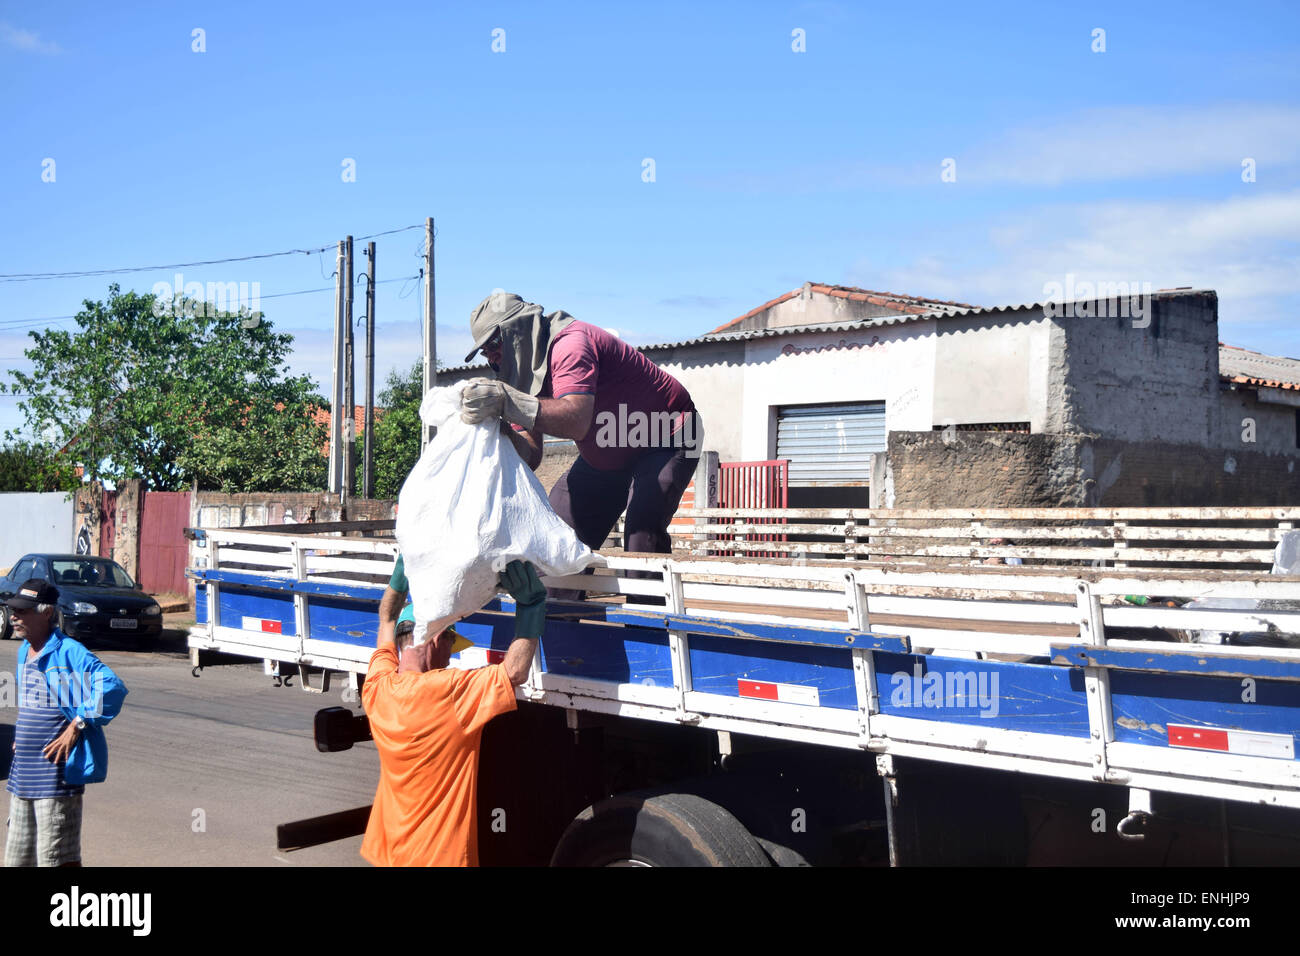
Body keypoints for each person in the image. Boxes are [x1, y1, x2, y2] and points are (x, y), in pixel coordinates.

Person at [459, 292, 703, 558]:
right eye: (485, 351)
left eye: (495, 343)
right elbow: (531, 454)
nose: (492, 357)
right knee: (554, 546)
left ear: (519, 329)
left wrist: (509, 403)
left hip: (666, 435)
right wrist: (501, 429)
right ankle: (558, 601)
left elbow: (576, 420)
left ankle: (647, 599)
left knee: (641, 540)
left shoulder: (570, 344)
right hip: (609, 450)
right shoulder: (520, 377)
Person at [359, 560, 547, 867]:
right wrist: (532, 607)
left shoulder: (377, 688)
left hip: (391, 856)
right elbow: (513, 672)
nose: (451, 655)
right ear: (435, 638)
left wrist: (401, 574)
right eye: (451, 641)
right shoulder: (448, 692)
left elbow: (386, 618)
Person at [5, 579, 128, 867]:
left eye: (22, 611)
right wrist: (22, 734)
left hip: (55, 779)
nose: (14, 616)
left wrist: (78, 724)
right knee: (16, 861)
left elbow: (112, 686)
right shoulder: (25, 650)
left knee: (57, 859)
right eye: (13, 609)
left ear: (46, 613)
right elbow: (35, 700)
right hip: (23, 774)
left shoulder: (69, 651)